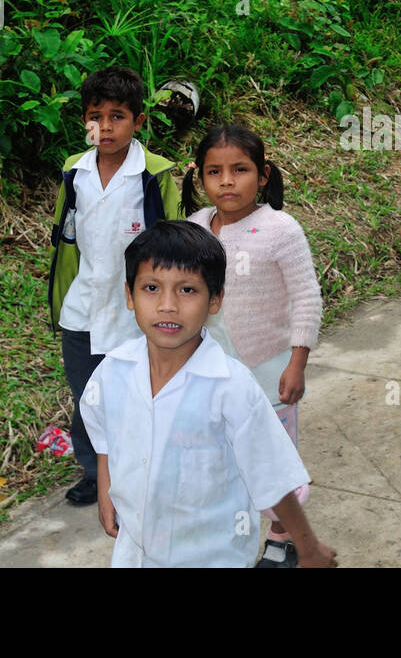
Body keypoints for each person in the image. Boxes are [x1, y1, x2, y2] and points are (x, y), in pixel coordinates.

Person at [82, 221, 338, 568]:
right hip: (134, 553)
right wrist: (106, 490)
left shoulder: (231, 387)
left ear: (215, 299)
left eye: (187, 290)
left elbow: (272, 473)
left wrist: (307, 548)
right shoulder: (112, 373)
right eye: (152, 288)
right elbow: (105, 435)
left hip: (212, 556)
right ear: (130, 295)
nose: (168, 305)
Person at [183, 123, 323, 567]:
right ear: (200, 178)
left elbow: (306, 296)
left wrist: (296, 362)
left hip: (267, 368)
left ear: (262, 175)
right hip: (210, 367)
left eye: (239, 170)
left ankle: (283, 539)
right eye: (214, 171)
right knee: (222, 453)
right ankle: (229, 529)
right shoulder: (194, 228)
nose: (227, 181)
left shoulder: (280, 229)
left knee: (273, 456)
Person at [49, 66, 183, 507]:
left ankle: (145, 471)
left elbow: (176, 242)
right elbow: (65, 241)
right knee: (88, 396)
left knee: (141, 394)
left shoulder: (155, 175)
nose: (104, 128)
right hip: (83, 308)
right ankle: (94, 473)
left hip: (136, 315)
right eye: (94, 116)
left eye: (117, 116)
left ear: (139, 120)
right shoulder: (74, 172)